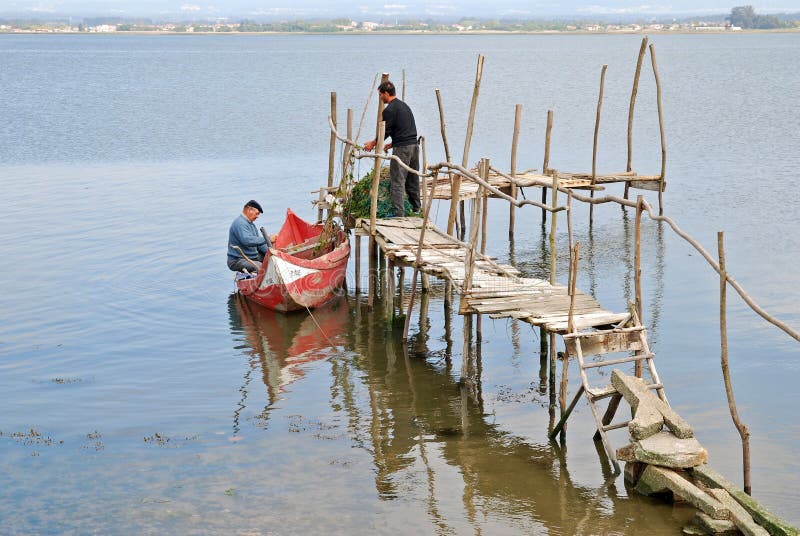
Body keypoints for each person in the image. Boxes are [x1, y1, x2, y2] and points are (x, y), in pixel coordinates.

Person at [363, 80, 421, 218]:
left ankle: (398, 214)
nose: (380, 98)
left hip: (403, 149)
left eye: (380, 94)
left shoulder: (389, 110)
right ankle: (416, 208)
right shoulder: (404, 106)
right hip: (414, 146)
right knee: (412, 178)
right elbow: (405, 128)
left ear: (386, 93)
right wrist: (393, 143)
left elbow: (385, 131)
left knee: (397, 180)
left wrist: (373, 143)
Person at [227, 200, 277, 272]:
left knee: (272, 259)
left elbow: (259, 244)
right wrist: (268, 239)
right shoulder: (240, 223)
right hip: (238, 260)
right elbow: (247, 240)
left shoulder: (251, 225)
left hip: (252, 257)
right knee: (260, 266)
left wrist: (272, 252)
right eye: (257, 213)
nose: (257, 216)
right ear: (249, 210)